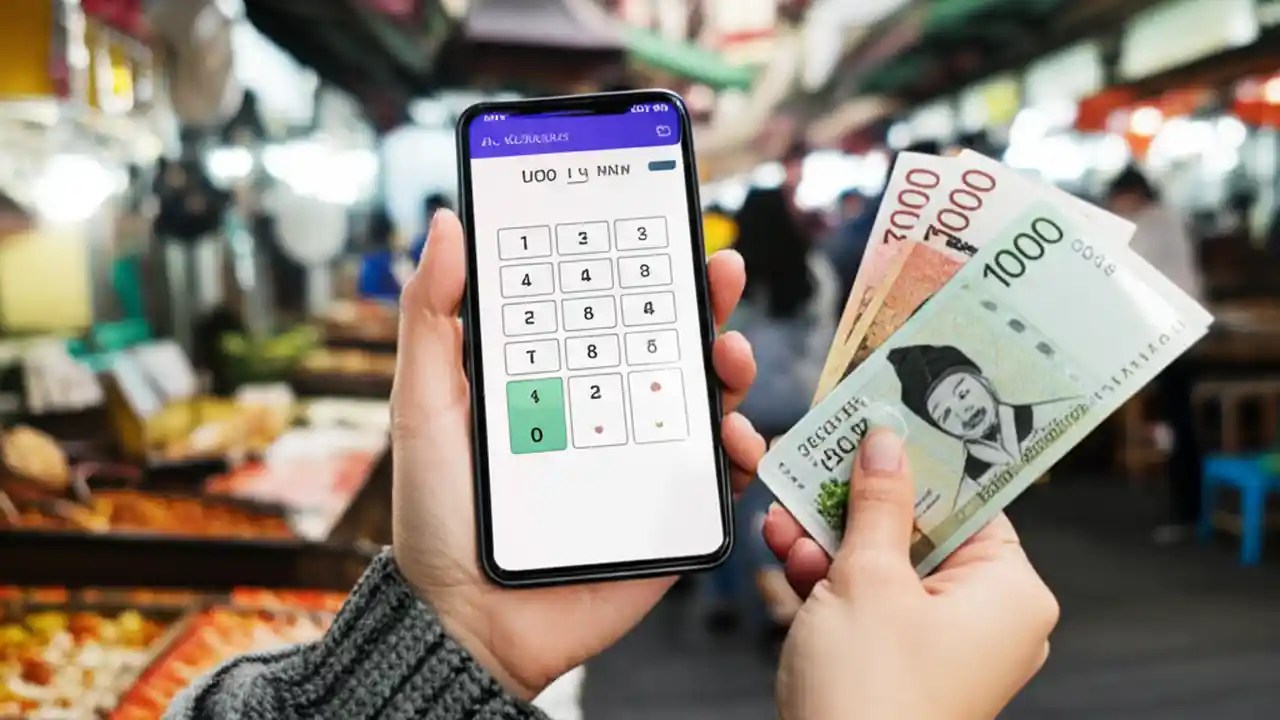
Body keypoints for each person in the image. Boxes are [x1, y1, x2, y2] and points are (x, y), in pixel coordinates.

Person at [167, 209, 1059, 720]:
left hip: (780, 418)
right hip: (803, 405)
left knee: (743, 501)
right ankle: (752, 595)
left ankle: (730, 597)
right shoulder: (820, 281)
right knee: (745, 496)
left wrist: (452, 641)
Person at [713, 186, 836, 631]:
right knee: (785, 503)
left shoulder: (735, 270)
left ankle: (730, 596)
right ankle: (784, 590)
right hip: (804, 402)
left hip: (746, 400)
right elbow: (826, 333)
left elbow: (721, 332)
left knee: (733, 501)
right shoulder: (813, 269)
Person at [1105, 167, 1206, 543]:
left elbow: (1126, 268)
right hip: (1185, 331)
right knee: (1179, 423)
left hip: (1172, 334)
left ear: (1131, 194)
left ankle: (1189, 513)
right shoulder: (1169, 218)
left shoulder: (1149, 224)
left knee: (1179, 425)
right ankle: (1190, 509)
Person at [888, 344, 1081, 514]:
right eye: (945, 414)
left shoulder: (1066, 412)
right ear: (940, 428)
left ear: (984, 382)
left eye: (963, 393)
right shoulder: (968, 496)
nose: (963, 411)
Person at [355, 208, 404, 301]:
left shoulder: (366, 259)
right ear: (390, 232)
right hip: (388, 307)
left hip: (367, 307)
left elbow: (361, 291)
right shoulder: (391, 259)